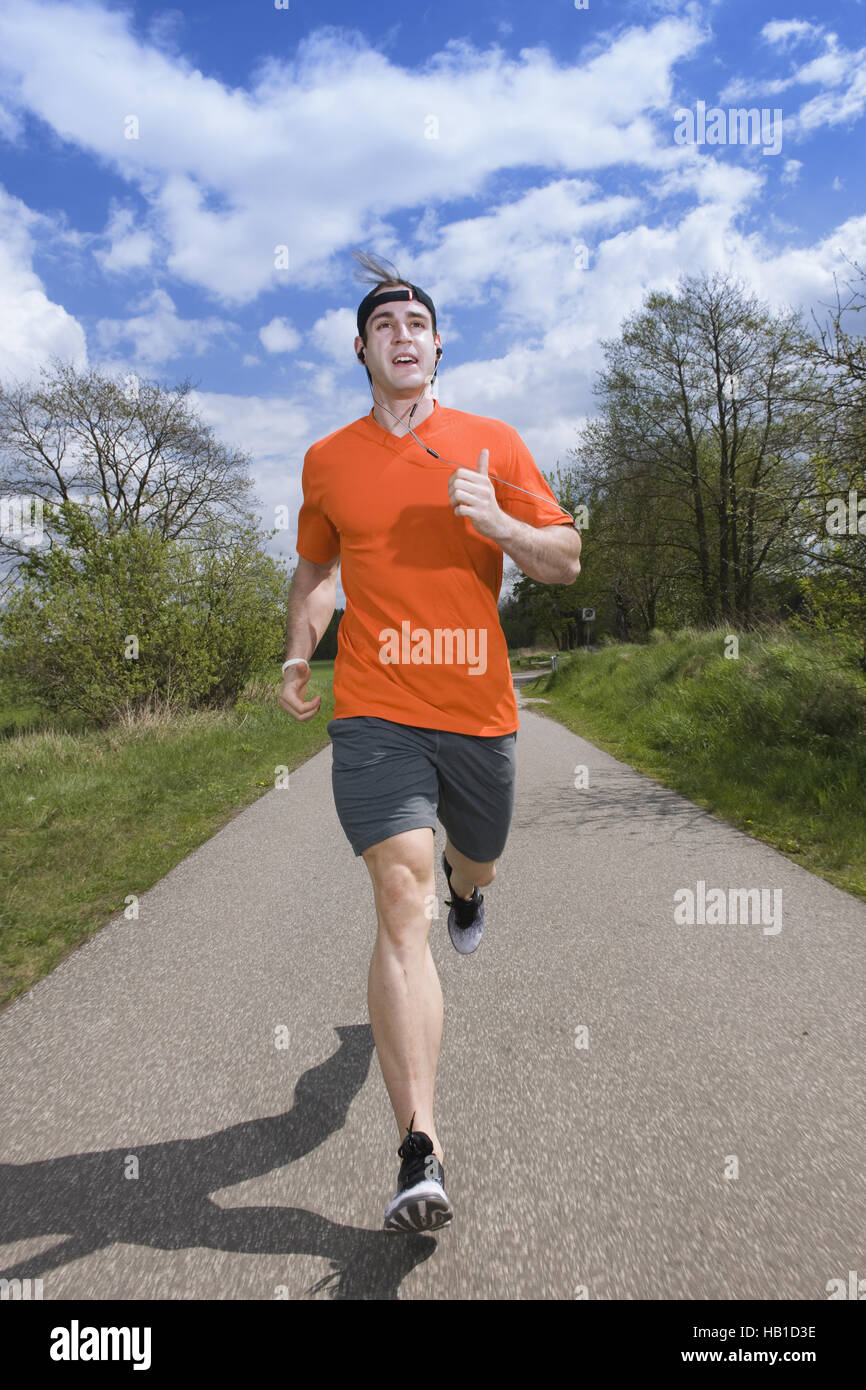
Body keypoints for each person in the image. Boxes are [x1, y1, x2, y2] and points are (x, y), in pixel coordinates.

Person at [280, 252, 582, 1233]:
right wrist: (299, 649)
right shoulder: (327, 459)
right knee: (397, 892)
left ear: (438, 345)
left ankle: (472, 889)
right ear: (360, 348)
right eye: (383, 324)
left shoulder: (492, 440)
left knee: (469, 864)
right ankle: (420, 1148)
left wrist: (498, 518)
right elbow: (318, 571)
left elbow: (564, 559)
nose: (401, 334)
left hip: (478, 710)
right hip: (372, 707)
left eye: (417, 322)